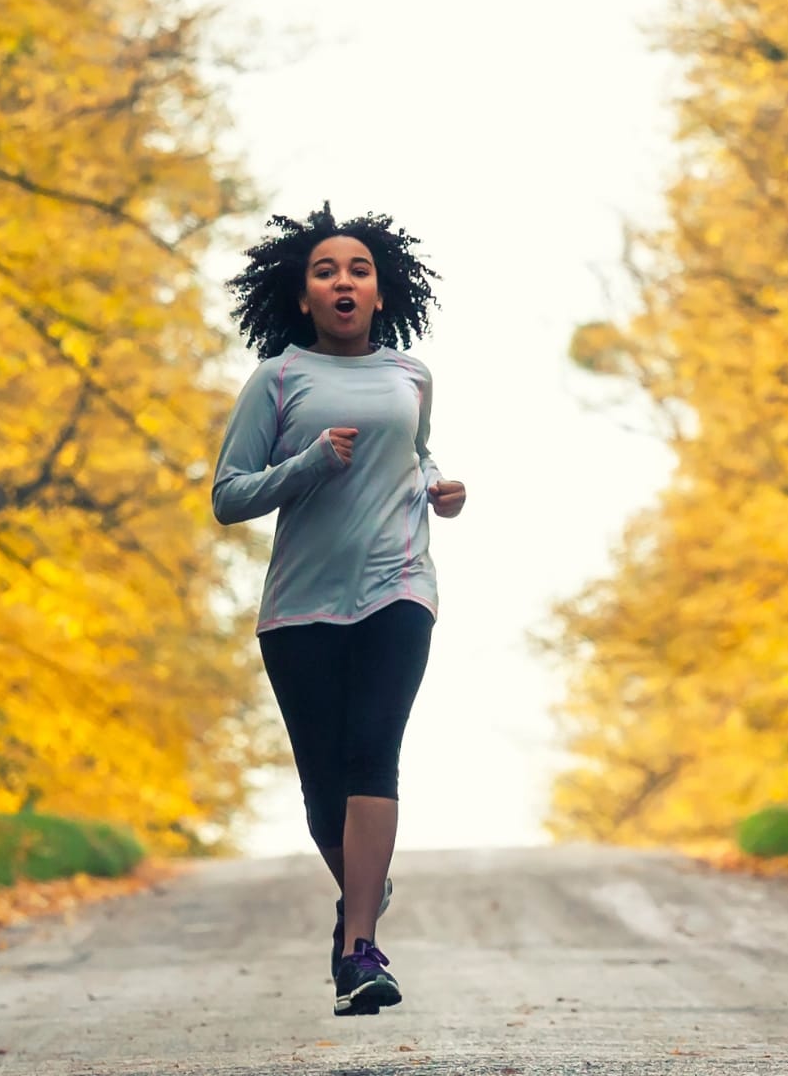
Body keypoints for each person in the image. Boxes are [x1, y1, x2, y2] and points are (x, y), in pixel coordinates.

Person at [211, 203, 466, 1017]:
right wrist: (310, 464)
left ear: (381, 292)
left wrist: (440, 488)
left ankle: (361, 949)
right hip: (301, 608)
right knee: (325, 792)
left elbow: (415, 455)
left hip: (399, 589)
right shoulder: (278, 379)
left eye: (358, 269)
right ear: (304, 296)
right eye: (326, 271)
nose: (343, 280)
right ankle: (363, 891)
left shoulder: (411, 376)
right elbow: (227, 496)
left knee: (371, 757)